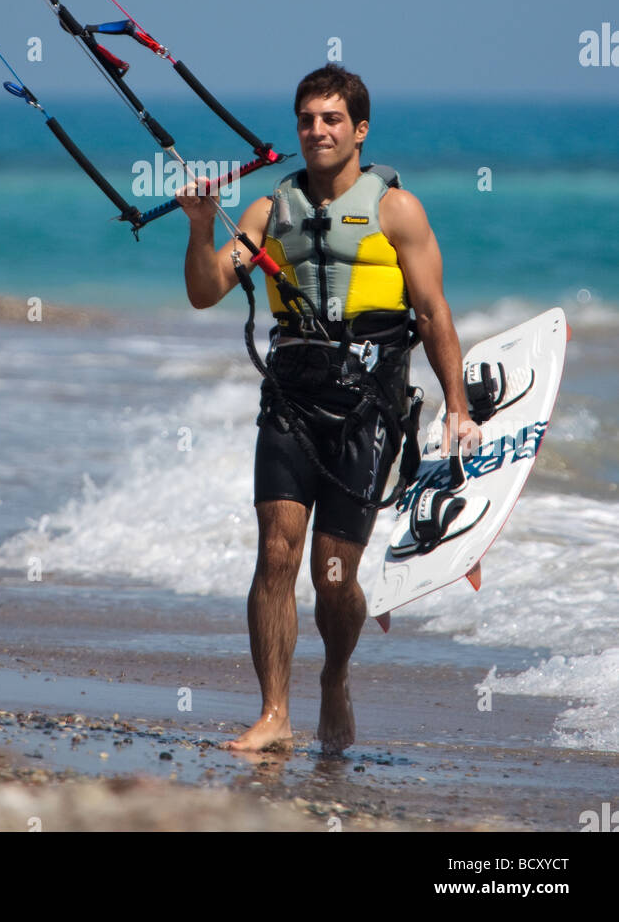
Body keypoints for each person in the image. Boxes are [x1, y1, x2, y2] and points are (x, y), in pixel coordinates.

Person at [177, 65, 480, 753]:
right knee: (276, 553)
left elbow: (433, 314)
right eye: (308, 119)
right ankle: (274, 714)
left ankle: (335, 675)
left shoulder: (395, 210)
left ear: (360, 130)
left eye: (332, 119)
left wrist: (457, 407)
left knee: (333, 575)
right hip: (290, 400)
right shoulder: (266, 211)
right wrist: (200, 230)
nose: (317, 130)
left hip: (366, 408)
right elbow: (205, 292)